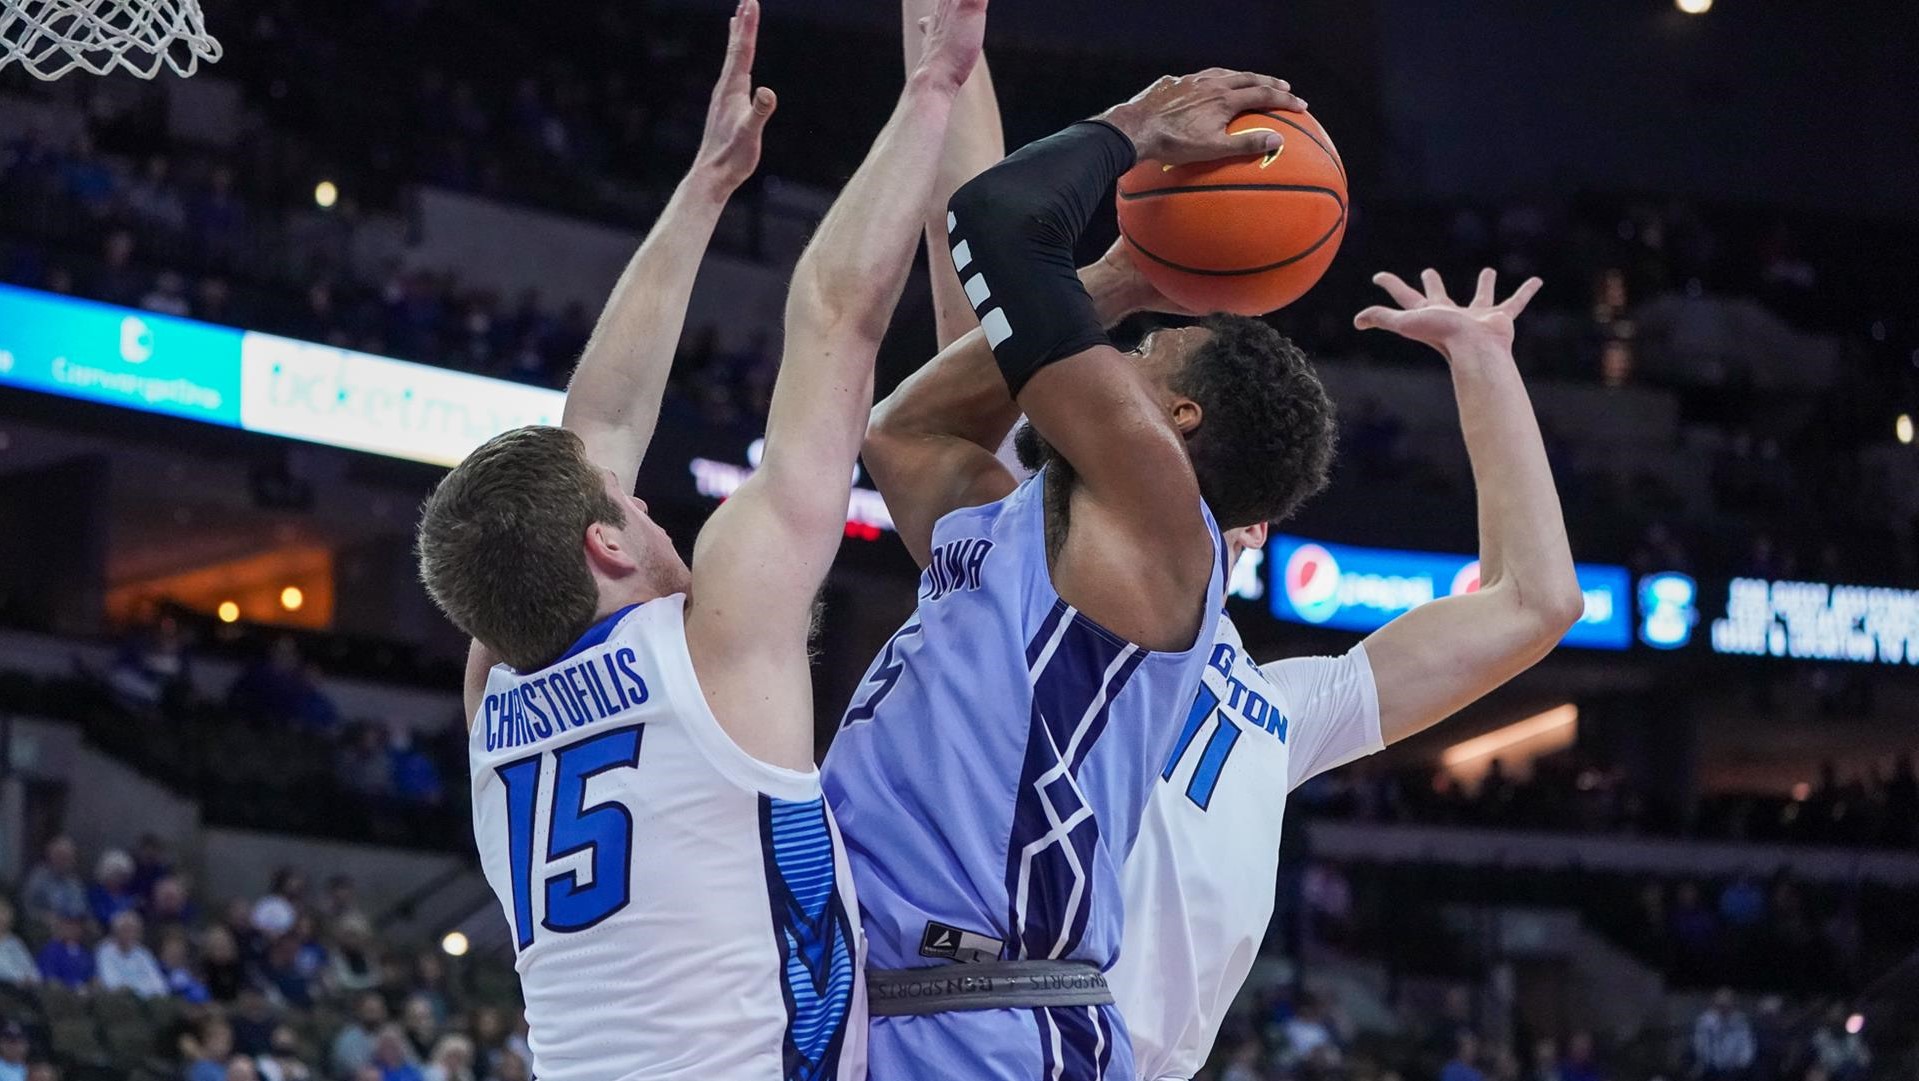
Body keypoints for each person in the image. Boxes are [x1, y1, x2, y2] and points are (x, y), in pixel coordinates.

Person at [845, 11, 1581, 1079]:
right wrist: (947, 57)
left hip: (1027, 1027)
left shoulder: (1265, 696)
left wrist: (1482, 362)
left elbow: (1534, 602)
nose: (1120, 361)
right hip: (939, 1005)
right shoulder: (1052, 547)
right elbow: (976, 330)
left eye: (1145, 359)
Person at [410, 2, 985, 1077]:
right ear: (608, 547)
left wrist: (706, 188)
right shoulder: (715, 641)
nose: (648, 506)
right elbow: (835, 319)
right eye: (629, 508)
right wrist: (930, 92)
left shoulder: (496, 693)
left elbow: (594, 436)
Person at [825, 21, 1321, 1071]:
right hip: (888, 1002)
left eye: (1139, 353)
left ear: (1171, 423)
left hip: (990, 1018)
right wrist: (1131, 278)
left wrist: (1135, 128)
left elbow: (995, 221)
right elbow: (900, 434)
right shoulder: (1020, 526)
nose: (1110, 350)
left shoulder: (1159, 529)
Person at [94, 911, 168, 998]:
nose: (130, 934)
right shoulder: (105, 951)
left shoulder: (143, 953)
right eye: (125, 930)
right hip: (121, 999)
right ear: (116, 932)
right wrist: (140, 990)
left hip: (146, 999)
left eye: (134, 931)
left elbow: (158, 983)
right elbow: (111, 983)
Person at [20, 837, 84, 933]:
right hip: (49, 924)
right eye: (61, 857)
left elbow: (82, 907)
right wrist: (44, 917)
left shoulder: (74, 882)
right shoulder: (38, 878)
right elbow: (27, 907)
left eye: (69, 858)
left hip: (73, 924)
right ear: (51, 857)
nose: (65, 861)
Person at [1692, 989, 1756, 1081]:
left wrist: (1742, 1062)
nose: (1724, 1008)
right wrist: (1712, 1062)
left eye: (1727, 1005)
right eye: (1721, 1005)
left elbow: (1747, 1045)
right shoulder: (1705, 1021)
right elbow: (1701, 1045)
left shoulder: (1741, 1021)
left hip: (1736, 1069)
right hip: (1712, 1068)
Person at [0, 901, 37, 988]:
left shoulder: (15, 942)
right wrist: (18, 978)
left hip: (25, 986)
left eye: (4, 914)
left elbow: (29, 964)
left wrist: (33, 978)